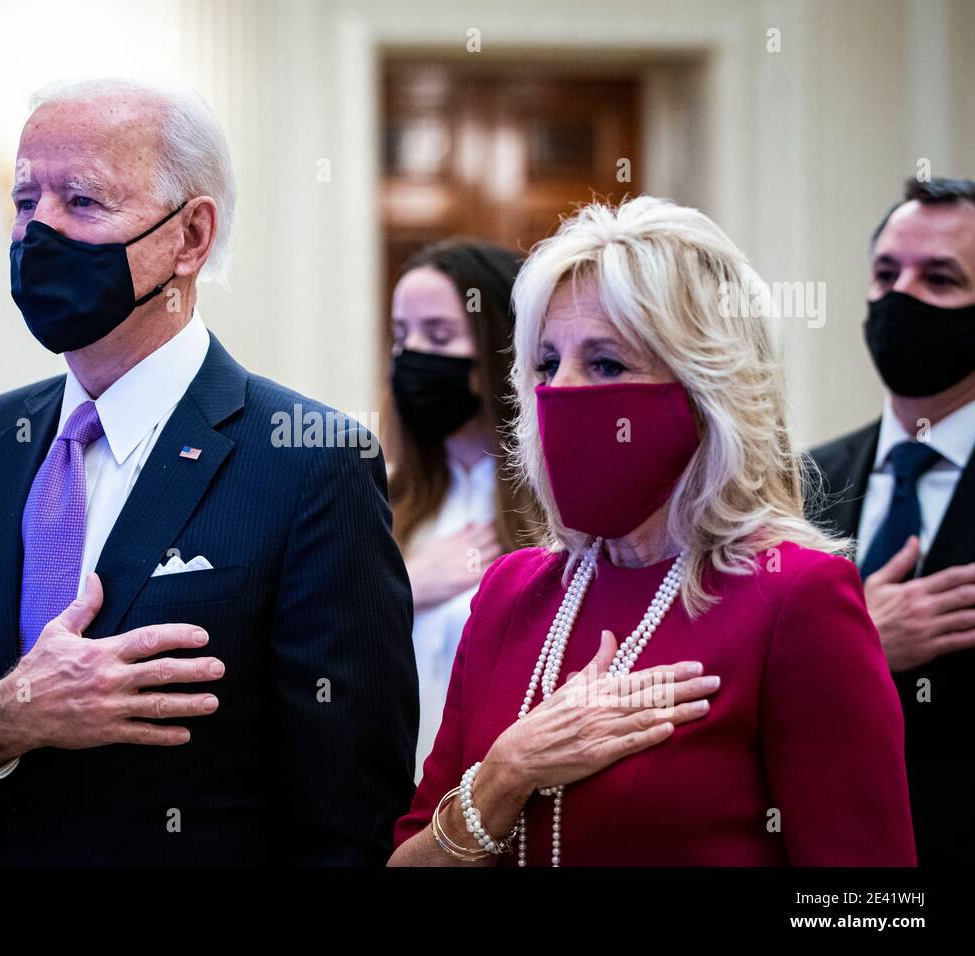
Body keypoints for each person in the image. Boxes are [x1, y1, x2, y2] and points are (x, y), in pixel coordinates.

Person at [0, 76, 419, 866]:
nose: (38, 232)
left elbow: (349, 814)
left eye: (83, 203)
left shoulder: (309, 462)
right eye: (26, 202)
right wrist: (7, 717)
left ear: (191, 237)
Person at [390, 196, 915, 867]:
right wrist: (509, 771)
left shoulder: (794, 599)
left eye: (606, 364)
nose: (564, 393)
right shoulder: (511, 592)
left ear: (706, 392)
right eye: (547, 365)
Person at [807, 176, 975, 867]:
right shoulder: (793, 486)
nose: (900, 296)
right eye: (885, 274)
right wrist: (858, 644)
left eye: (939, 280)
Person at [385, 239, 540, 779]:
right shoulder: (378, 503)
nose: (413, 355)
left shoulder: (558, 514)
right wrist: (400, 590)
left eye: (440, 335)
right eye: (402, 337)